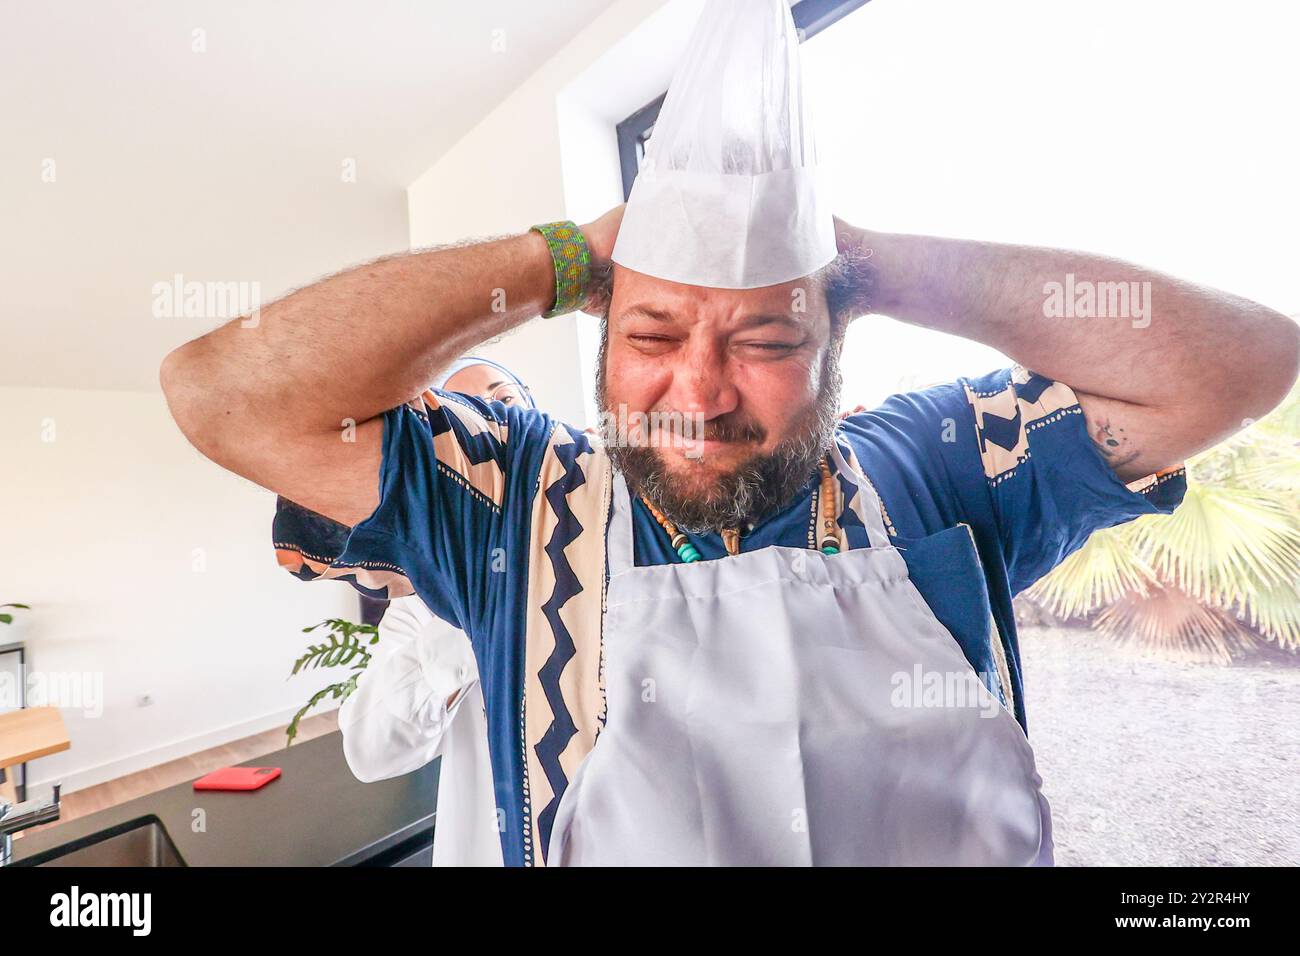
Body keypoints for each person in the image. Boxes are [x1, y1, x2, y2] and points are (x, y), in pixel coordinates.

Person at [161, 1, 1298, 866]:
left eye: (763, 338)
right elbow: (221, 393)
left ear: (833, 348)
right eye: (653, 330)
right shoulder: (505, 498)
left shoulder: (940, 462)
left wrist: (871, 263)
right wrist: (557, 254)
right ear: (598, 326)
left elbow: (1242, 361)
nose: (697, 393)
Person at [325, 358, 531, 867]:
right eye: (460, 418)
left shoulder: (612, 535)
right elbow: (369, 750)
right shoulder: (418, 599)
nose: (487, 426)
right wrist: (472, 594)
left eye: (502, 402)